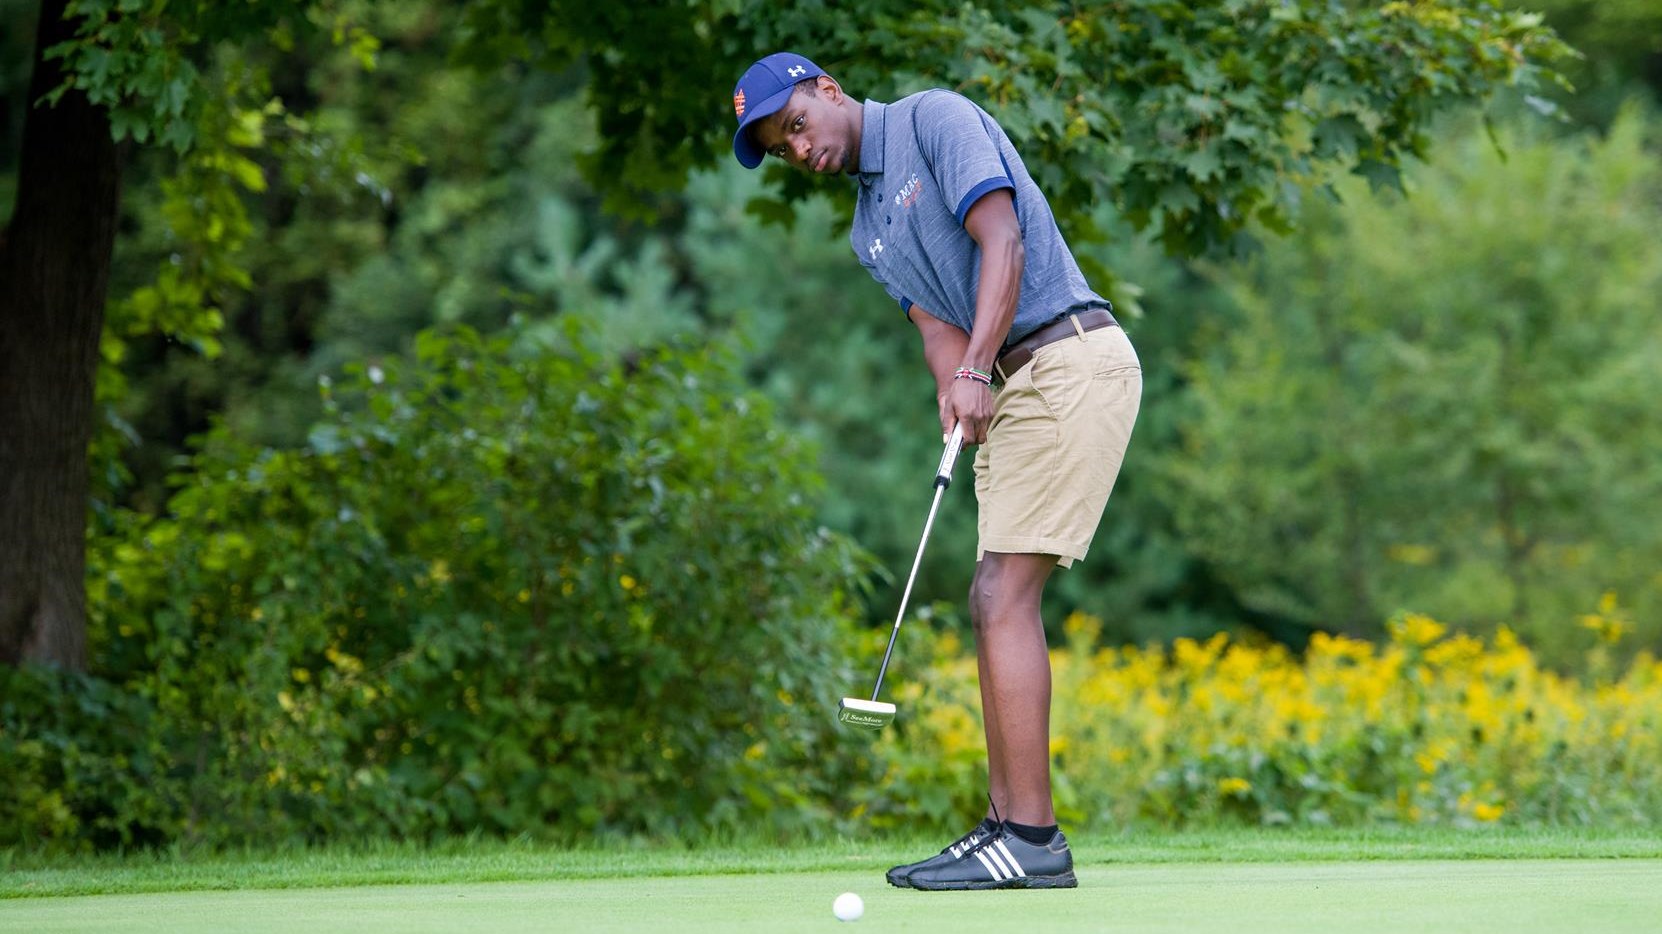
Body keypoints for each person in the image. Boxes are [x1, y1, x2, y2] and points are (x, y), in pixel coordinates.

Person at [730, 52, 1141, 891]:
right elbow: (935, 329)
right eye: (781, 148)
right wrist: (954, 390)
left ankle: (1032, 838)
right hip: (1011, 383)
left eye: (797, 125)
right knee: (989, 597)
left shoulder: (934, 119)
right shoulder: (866, 229)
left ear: (828, 91)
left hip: (1068, 359)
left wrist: (977, 368)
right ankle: (1004, 826)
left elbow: (1002, 240)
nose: (799, 150)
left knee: (1003, 594)